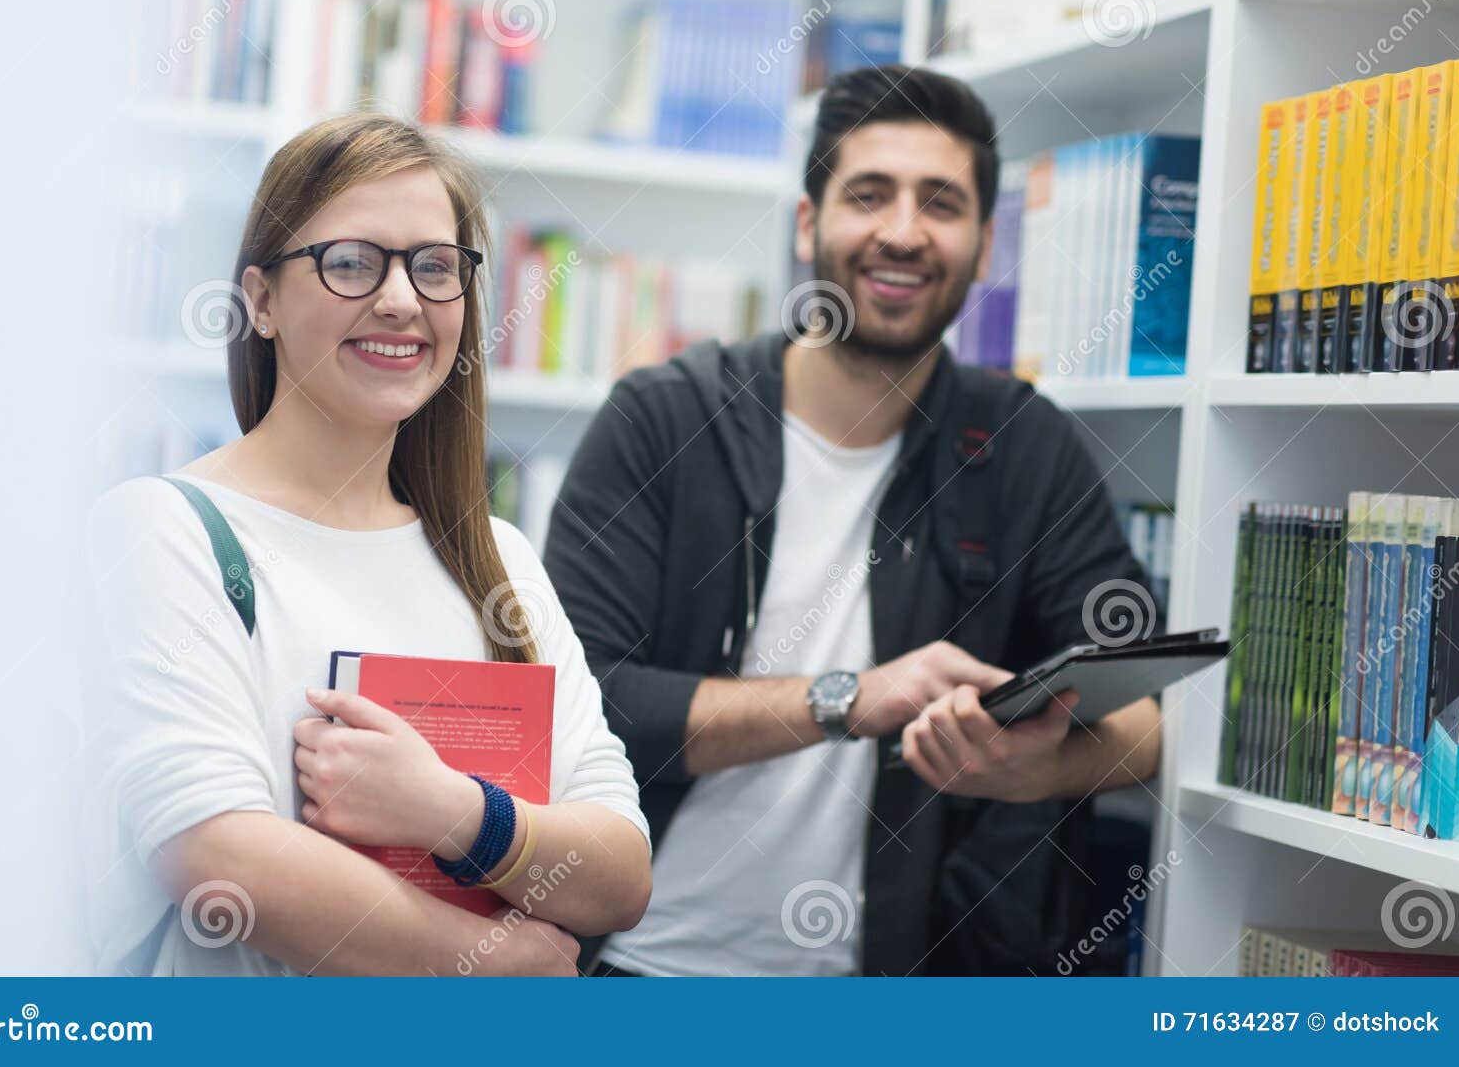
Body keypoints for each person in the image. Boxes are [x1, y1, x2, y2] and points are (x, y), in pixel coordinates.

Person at [543, 65, 1164, 977]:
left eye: (941, 204)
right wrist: (848, 699)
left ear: (985, 245)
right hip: (640, 967)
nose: (903, 232)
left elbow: (1148, 717)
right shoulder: (665, 420)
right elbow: (577, 703)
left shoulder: (1024, 444)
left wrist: (1038, 770)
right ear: (808, 224)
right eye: (869, 195)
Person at [86, 114, 650, 976]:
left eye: (435, 267)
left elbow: (619, 872)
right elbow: (217, 856)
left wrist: (454, 812)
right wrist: (486, 967)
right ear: (261, 301)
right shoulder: (163, 529)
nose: (401, 300)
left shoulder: (497, 560)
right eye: (351, 262)